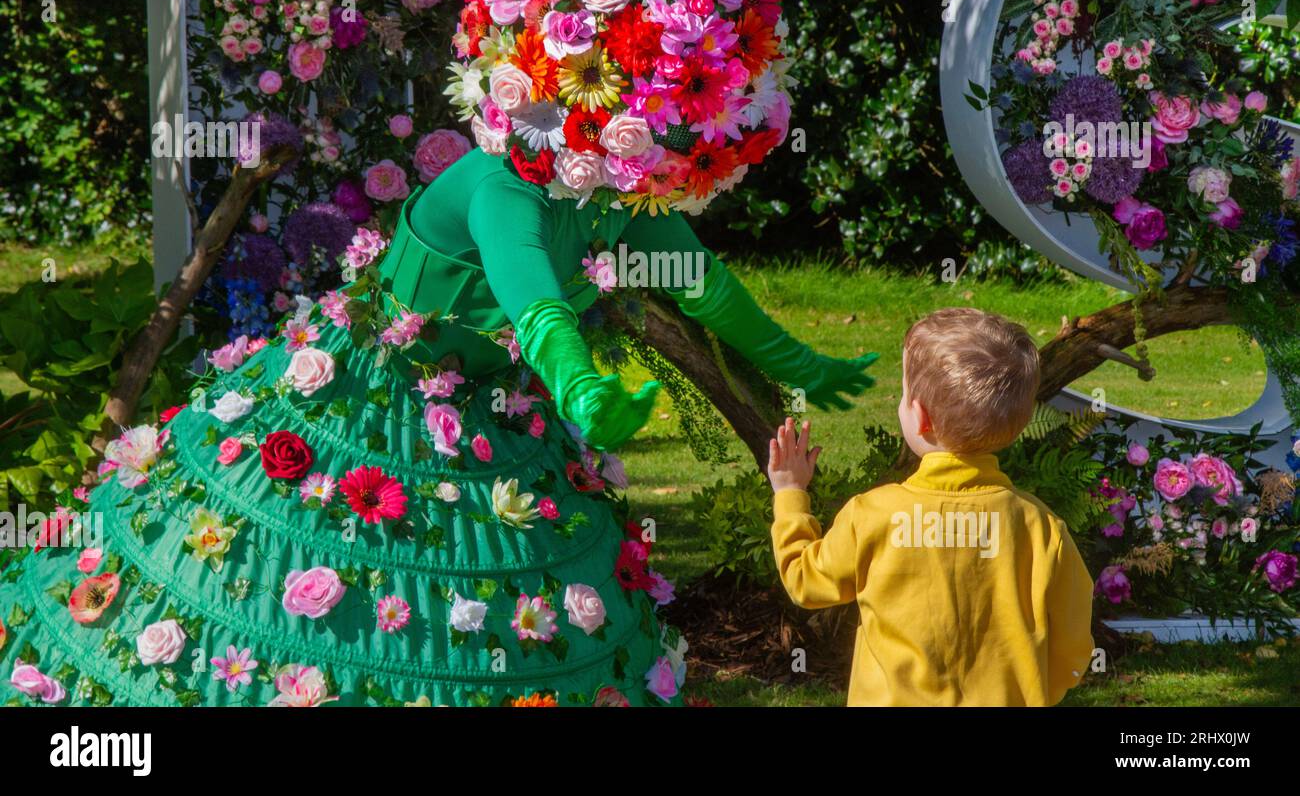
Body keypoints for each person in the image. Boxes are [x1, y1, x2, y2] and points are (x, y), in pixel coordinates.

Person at [0, 148, 875, 707]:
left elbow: (704, 286)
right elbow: (535, 303)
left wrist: (805, 365)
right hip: (364, 399)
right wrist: (581, 390)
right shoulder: (503, 187)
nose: (677, 159)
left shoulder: (625, 203)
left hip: (489, 416)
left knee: (477, 585)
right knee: (303, 564)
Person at [767, 307, 1095, 706]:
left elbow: (805, 580)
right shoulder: (1040, 527)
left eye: (904, 393)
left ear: (919, 417)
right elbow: (1074, 641)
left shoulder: (872, 514)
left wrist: (790, 493)